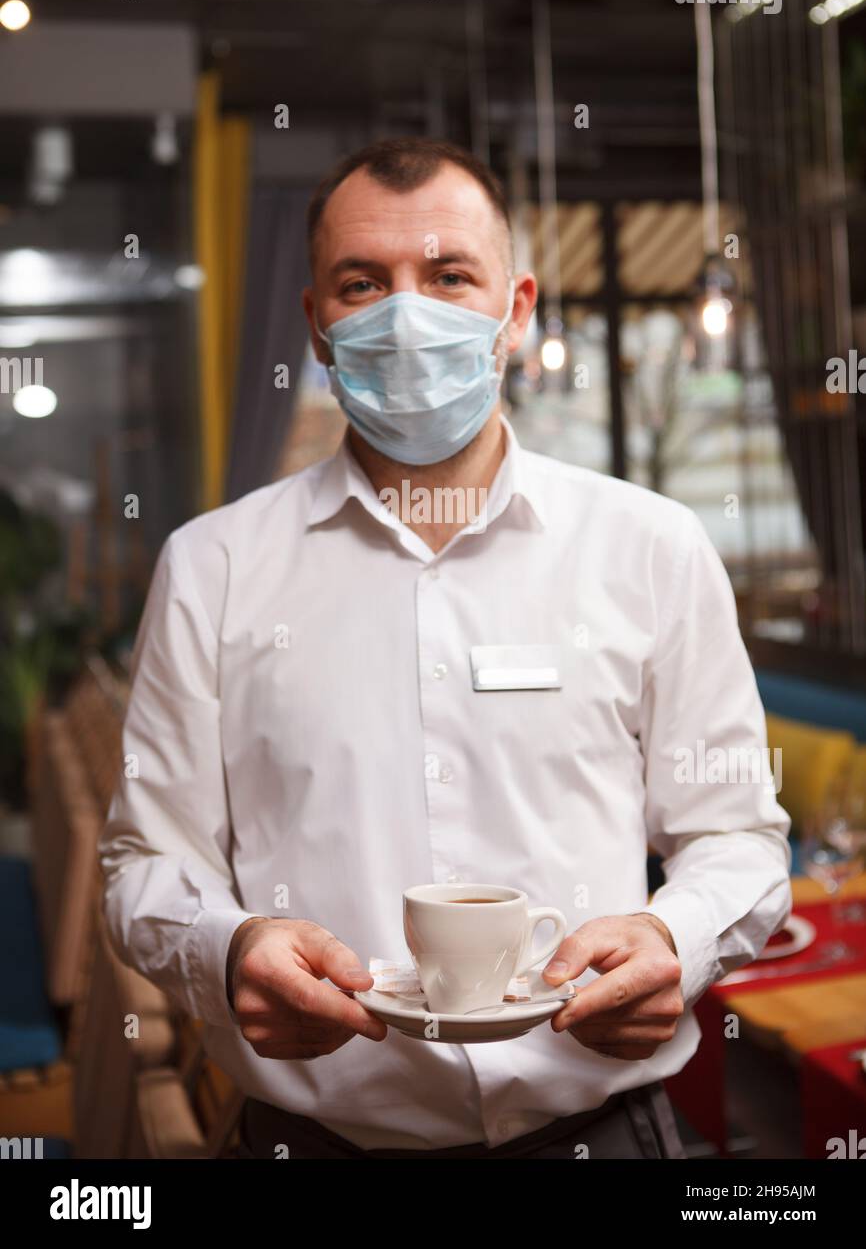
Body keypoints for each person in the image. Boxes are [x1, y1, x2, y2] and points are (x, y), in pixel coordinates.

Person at [98, 137, 792, 1159]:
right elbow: (142, 862)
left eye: (447, 275)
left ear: (515, 310)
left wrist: (671, 938)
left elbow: (736, 834)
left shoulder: (648, 547)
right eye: (362, 282)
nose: (405, 314)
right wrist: (230, 946)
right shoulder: (213, 567)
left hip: (598, 1133)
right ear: (316, 327)